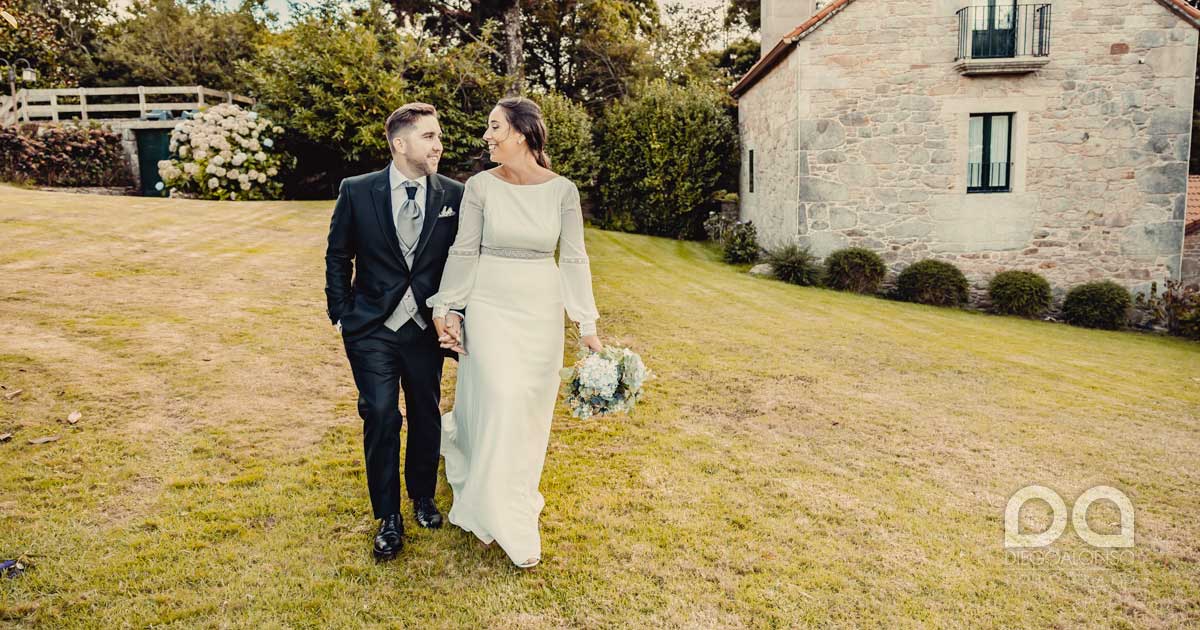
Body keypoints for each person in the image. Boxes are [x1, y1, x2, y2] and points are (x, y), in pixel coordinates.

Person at [427, 96, 602, 569]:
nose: (487, 136)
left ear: (522, 133)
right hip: (490, 302)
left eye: (495, 128)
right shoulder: (481, 186)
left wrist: (585, 324)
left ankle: (516, 497)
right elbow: (464, 251)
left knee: (527, 407)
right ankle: (497, 511)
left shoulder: (563, 191)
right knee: (500, 394)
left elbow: (575, 257)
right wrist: (448, 306)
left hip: (539, 309)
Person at [324, 103, 465, 561]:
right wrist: (342, 312)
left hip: (427, 328)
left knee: (426, 413)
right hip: (372, 328)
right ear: (399, 144)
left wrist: (455, 312)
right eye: (428, 136)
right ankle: (388, 516)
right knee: (382, 414)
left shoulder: (454, 196)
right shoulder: (357, 190)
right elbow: (338, 254)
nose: (438, 144)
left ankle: (422, 496)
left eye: (438, 135)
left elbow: (463, 262)